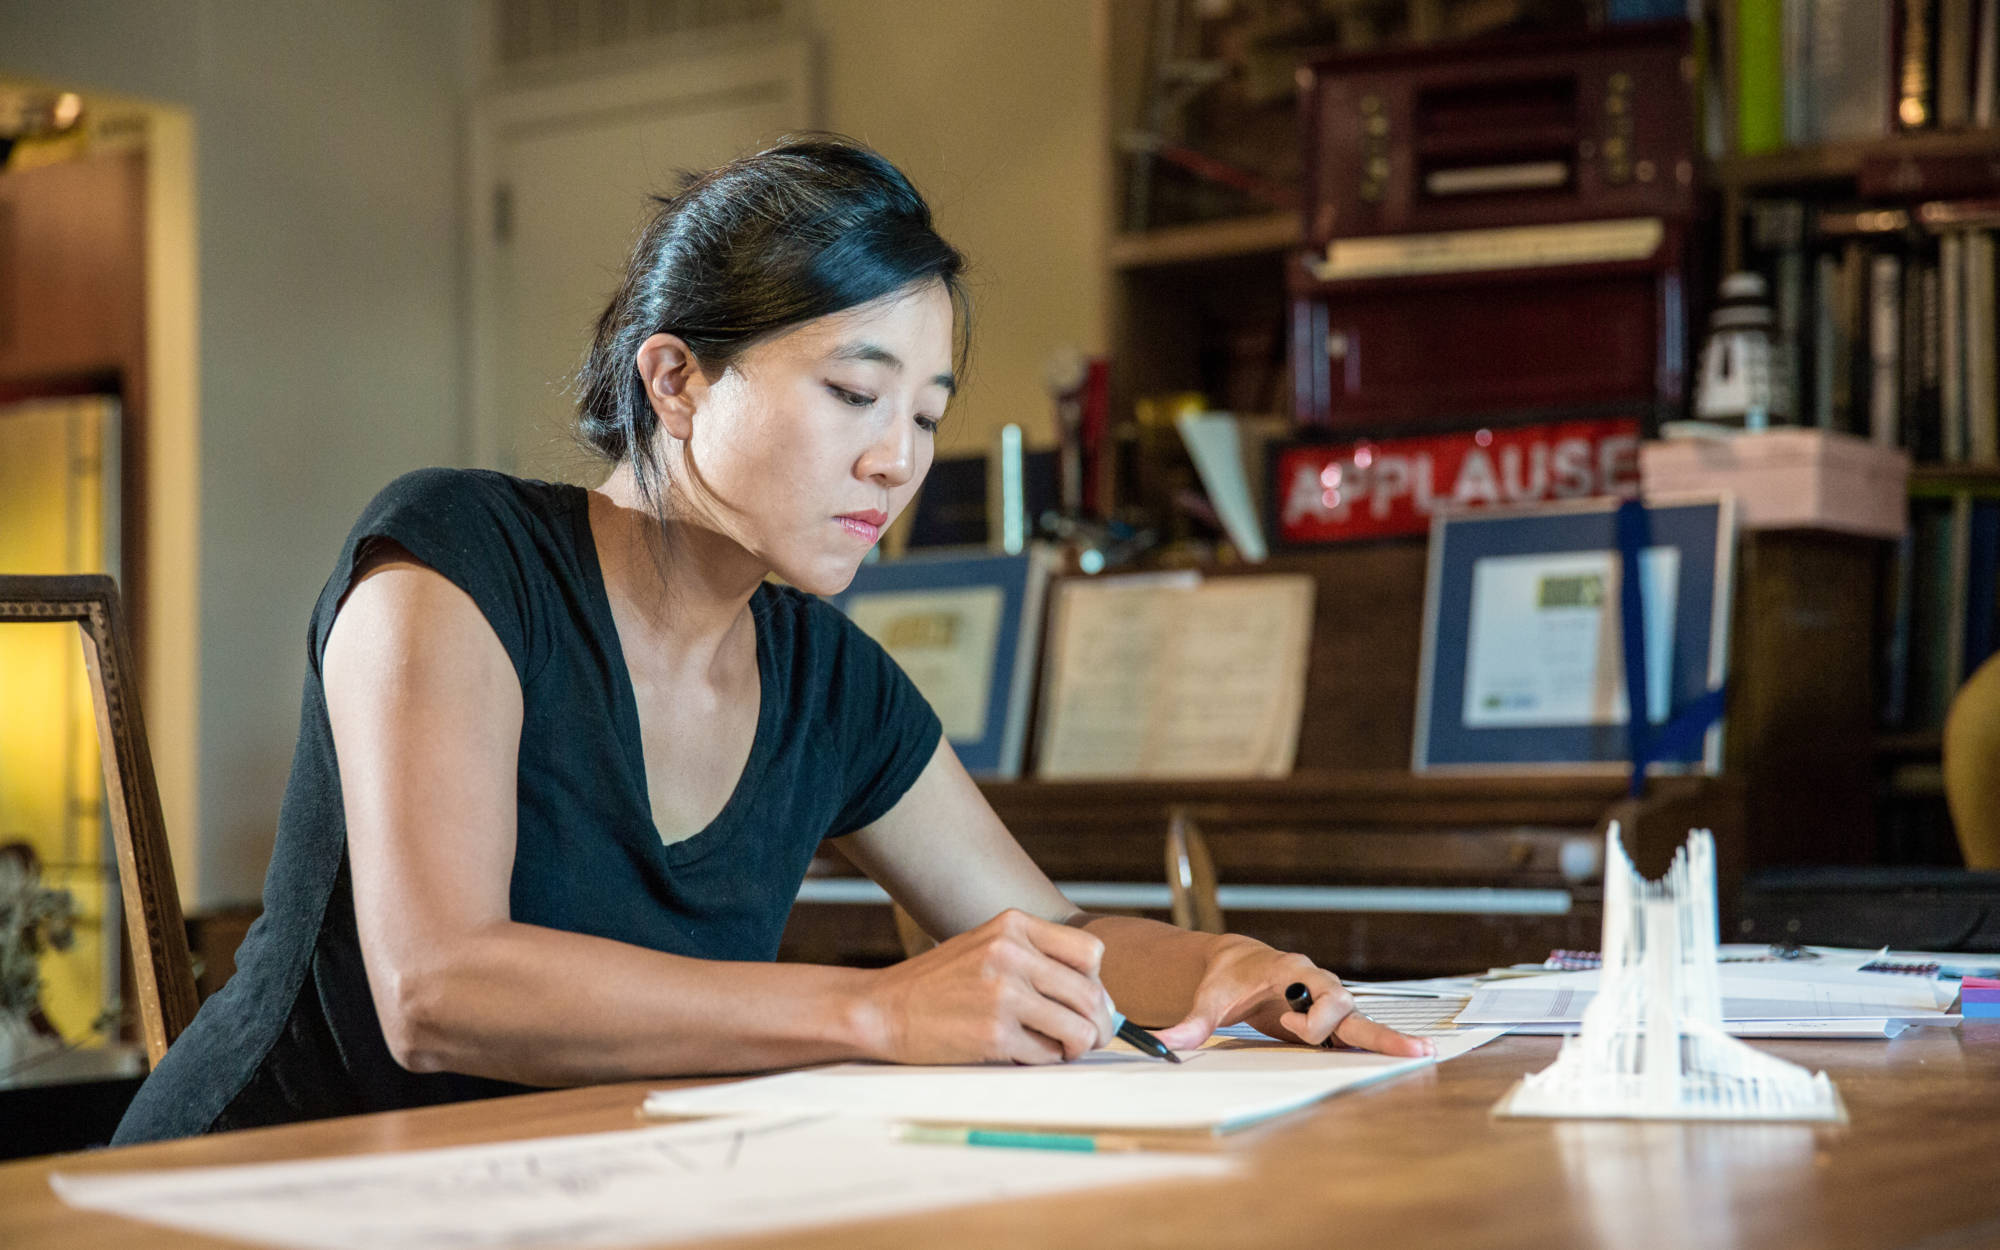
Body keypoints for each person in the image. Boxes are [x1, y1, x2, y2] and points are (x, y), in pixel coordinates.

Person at [114, 135, 1427, 1144]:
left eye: (925, 412)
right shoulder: (455, 555)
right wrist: (873, 1008)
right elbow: (440, 983)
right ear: (674, 378)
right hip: (256, 1185)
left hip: (550, 1191)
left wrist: (1227, 969)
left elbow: (1044, 927)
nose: (894, 458)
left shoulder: (825, 676)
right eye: (855, 391)